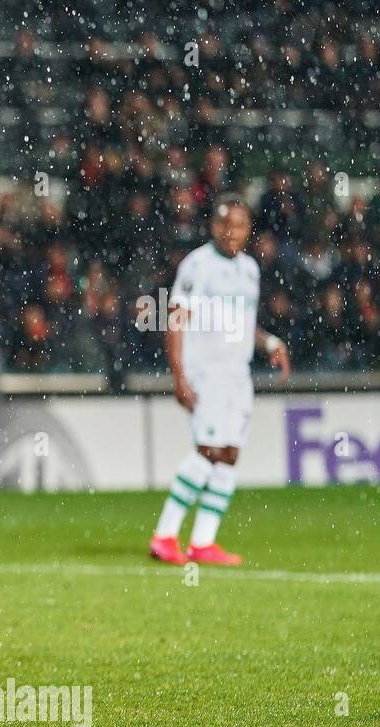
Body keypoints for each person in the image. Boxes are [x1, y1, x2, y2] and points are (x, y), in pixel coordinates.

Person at [150, 194, 291, 567]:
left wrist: (270, 342)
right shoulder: (197, 265)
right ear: (214, 226)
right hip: (205, 371)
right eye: (226, 224)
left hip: (236, 374)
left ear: (248, 230)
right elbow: (175, 318)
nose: (232, 232)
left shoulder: (249, 270)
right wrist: (179, 375)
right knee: (207, 451)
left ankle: (202, 542)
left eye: (240, 226)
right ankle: (165, 536)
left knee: (229, 454)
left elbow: (245, 323)